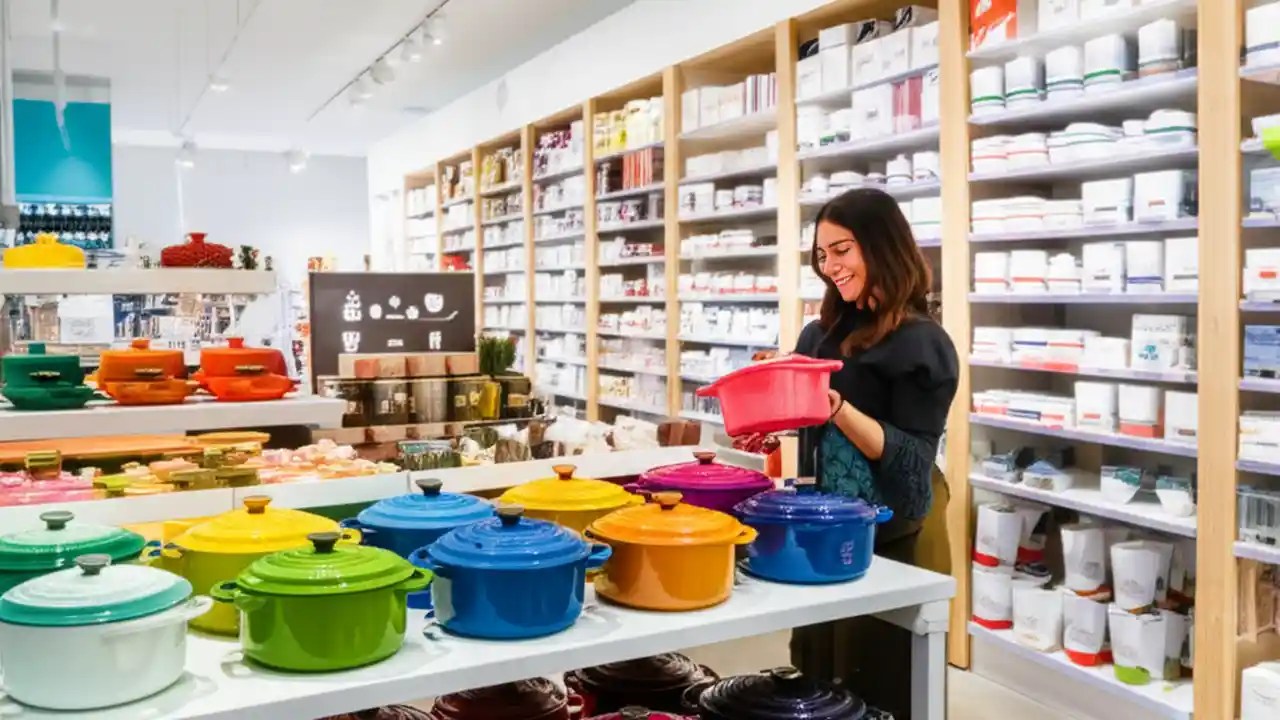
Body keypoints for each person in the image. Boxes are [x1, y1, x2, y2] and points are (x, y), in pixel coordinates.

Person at [786, 188, 959, 718]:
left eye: (842, 250)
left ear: (882, 245)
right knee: (816, 683)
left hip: (896, 539)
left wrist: (837, 407)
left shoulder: (923, 343)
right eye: (821, 255)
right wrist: (772, 423)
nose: (830, 266)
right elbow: (805, 422)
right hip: (824, 532)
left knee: (885, 688)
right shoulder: (820, 334)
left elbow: (911, 467)